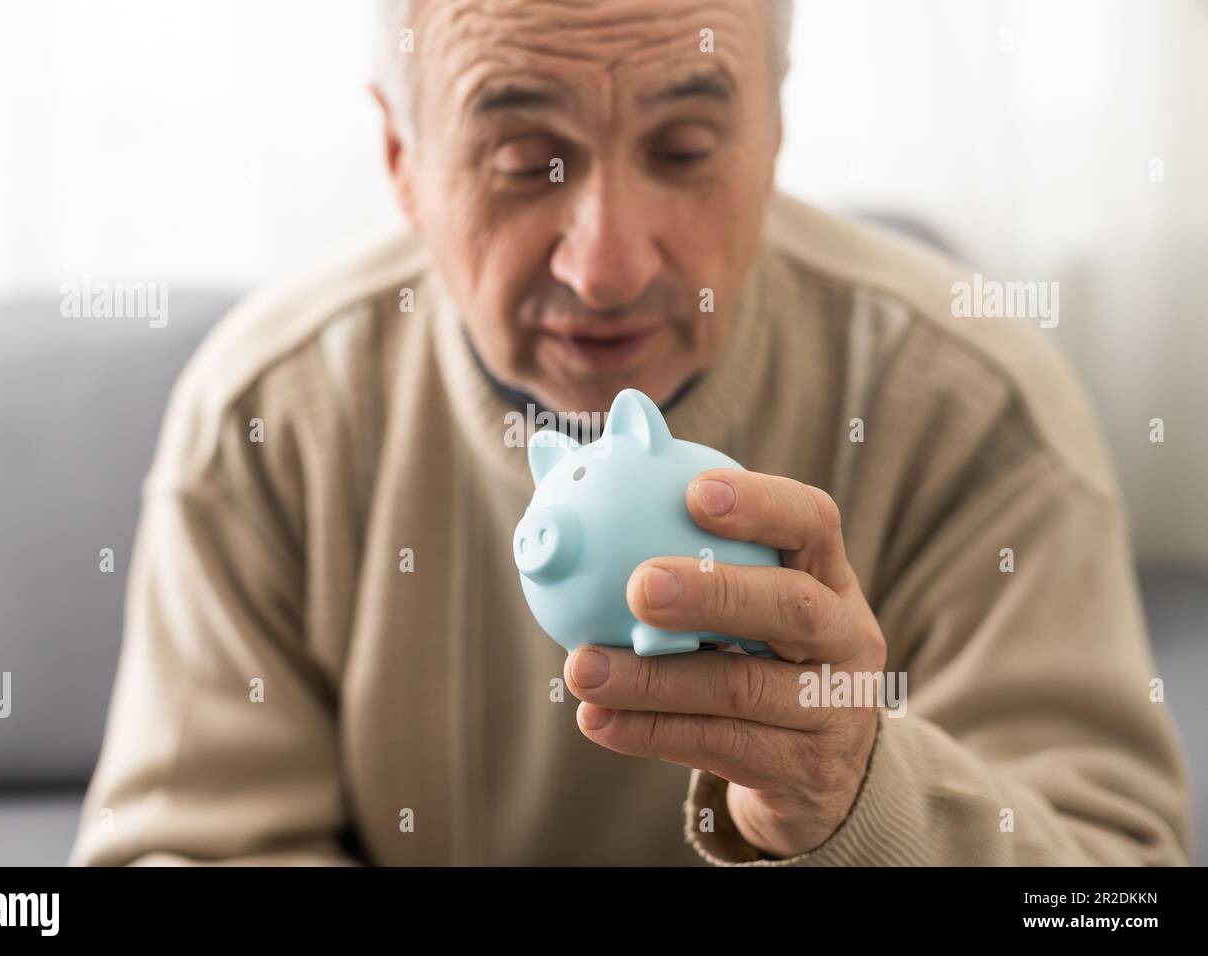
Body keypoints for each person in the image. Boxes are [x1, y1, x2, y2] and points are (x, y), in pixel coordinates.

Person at [69, 0, 1191, 866]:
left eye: (687, 147)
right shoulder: (266, 420)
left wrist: (859, 795)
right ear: (403, 161)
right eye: (523, 163)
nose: (607, 264)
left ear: (775, 130)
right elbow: (182, 845)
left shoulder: (974, 406)